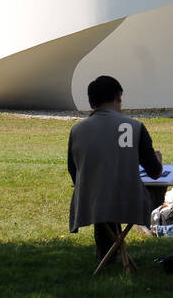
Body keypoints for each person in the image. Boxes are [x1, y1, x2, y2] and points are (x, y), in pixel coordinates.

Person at [68, 75, 163, 266]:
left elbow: (73, 171)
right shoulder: (132, 127)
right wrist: (159, 160)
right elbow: (154, 171)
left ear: (91, 102)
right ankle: (112, 251)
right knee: (155, 189)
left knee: (103, 197)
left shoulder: (77, 130)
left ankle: (106, 253)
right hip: (129, 203)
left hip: (89, 203)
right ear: (118, 97)